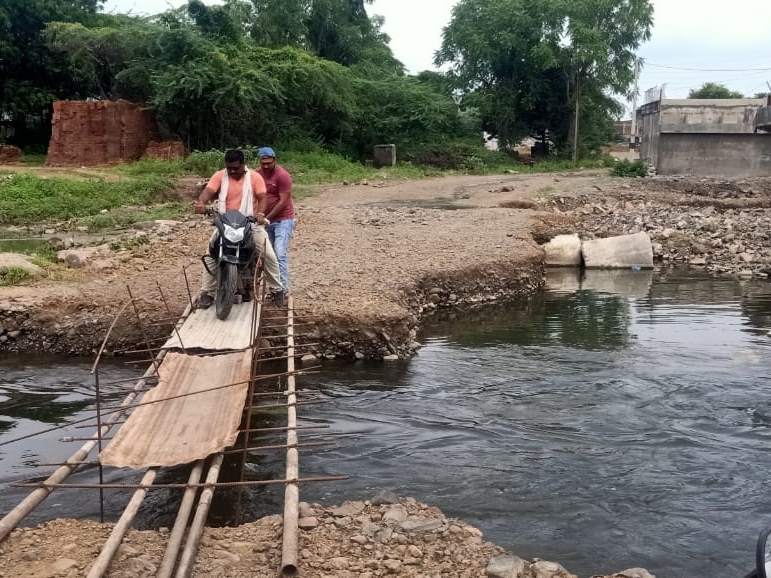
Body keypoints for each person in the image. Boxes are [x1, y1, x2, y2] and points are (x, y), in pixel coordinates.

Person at [193, 149, 285, 308]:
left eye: (236, 168)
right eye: (230, 168)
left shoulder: (255, 177)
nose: (233, 171)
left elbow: (262, 198)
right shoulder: (220, 176)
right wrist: (201, 203)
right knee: (211, 252)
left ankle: (277, 290)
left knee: (268, 254)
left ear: (243, 164)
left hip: (250, 223)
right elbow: (208, 191)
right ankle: (207, 292)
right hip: (225, 223)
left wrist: (261, 213)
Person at [256, 147, 295, 297]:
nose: (266, 166)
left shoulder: (282, 176)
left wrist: (268, 218)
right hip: (264, 220)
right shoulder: (256, 175)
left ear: (274, 160)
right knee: (267, 255)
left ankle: (282, 289)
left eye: (269, 163)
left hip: (283, 220)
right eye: (263, 163)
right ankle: (274, 288)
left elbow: (283, 201)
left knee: (279, 253)